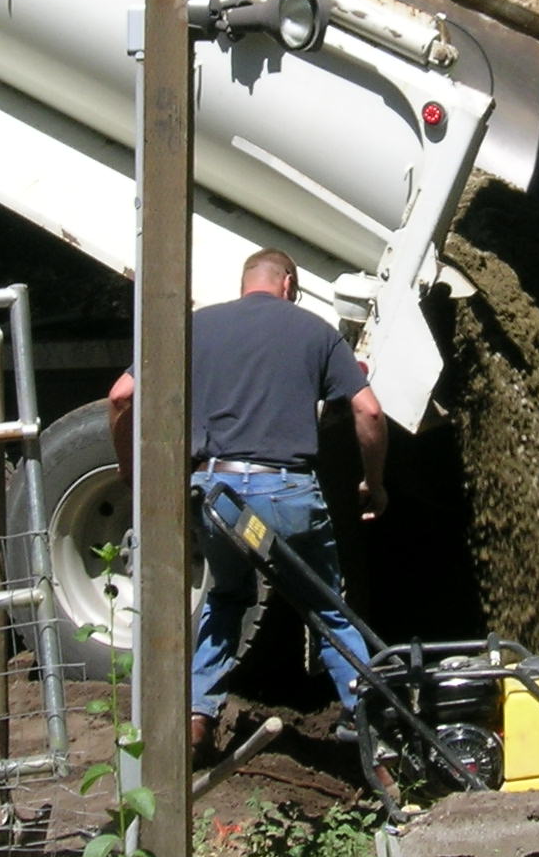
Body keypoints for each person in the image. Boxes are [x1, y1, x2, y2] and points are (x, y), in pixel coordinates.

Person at [107, 247, 388, 756]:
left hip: (220, 497)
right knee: (326, 605)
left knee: (228, 597)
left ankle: (197, 716)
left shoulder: (196, 327)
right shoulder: (314, 331)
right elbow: (368, 413)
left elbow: (121, 395)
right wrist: (374, 482)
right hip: (289, 494)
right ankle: (365, 718)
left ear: (245, 283)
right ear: (289, 284)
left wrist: (130, 470)